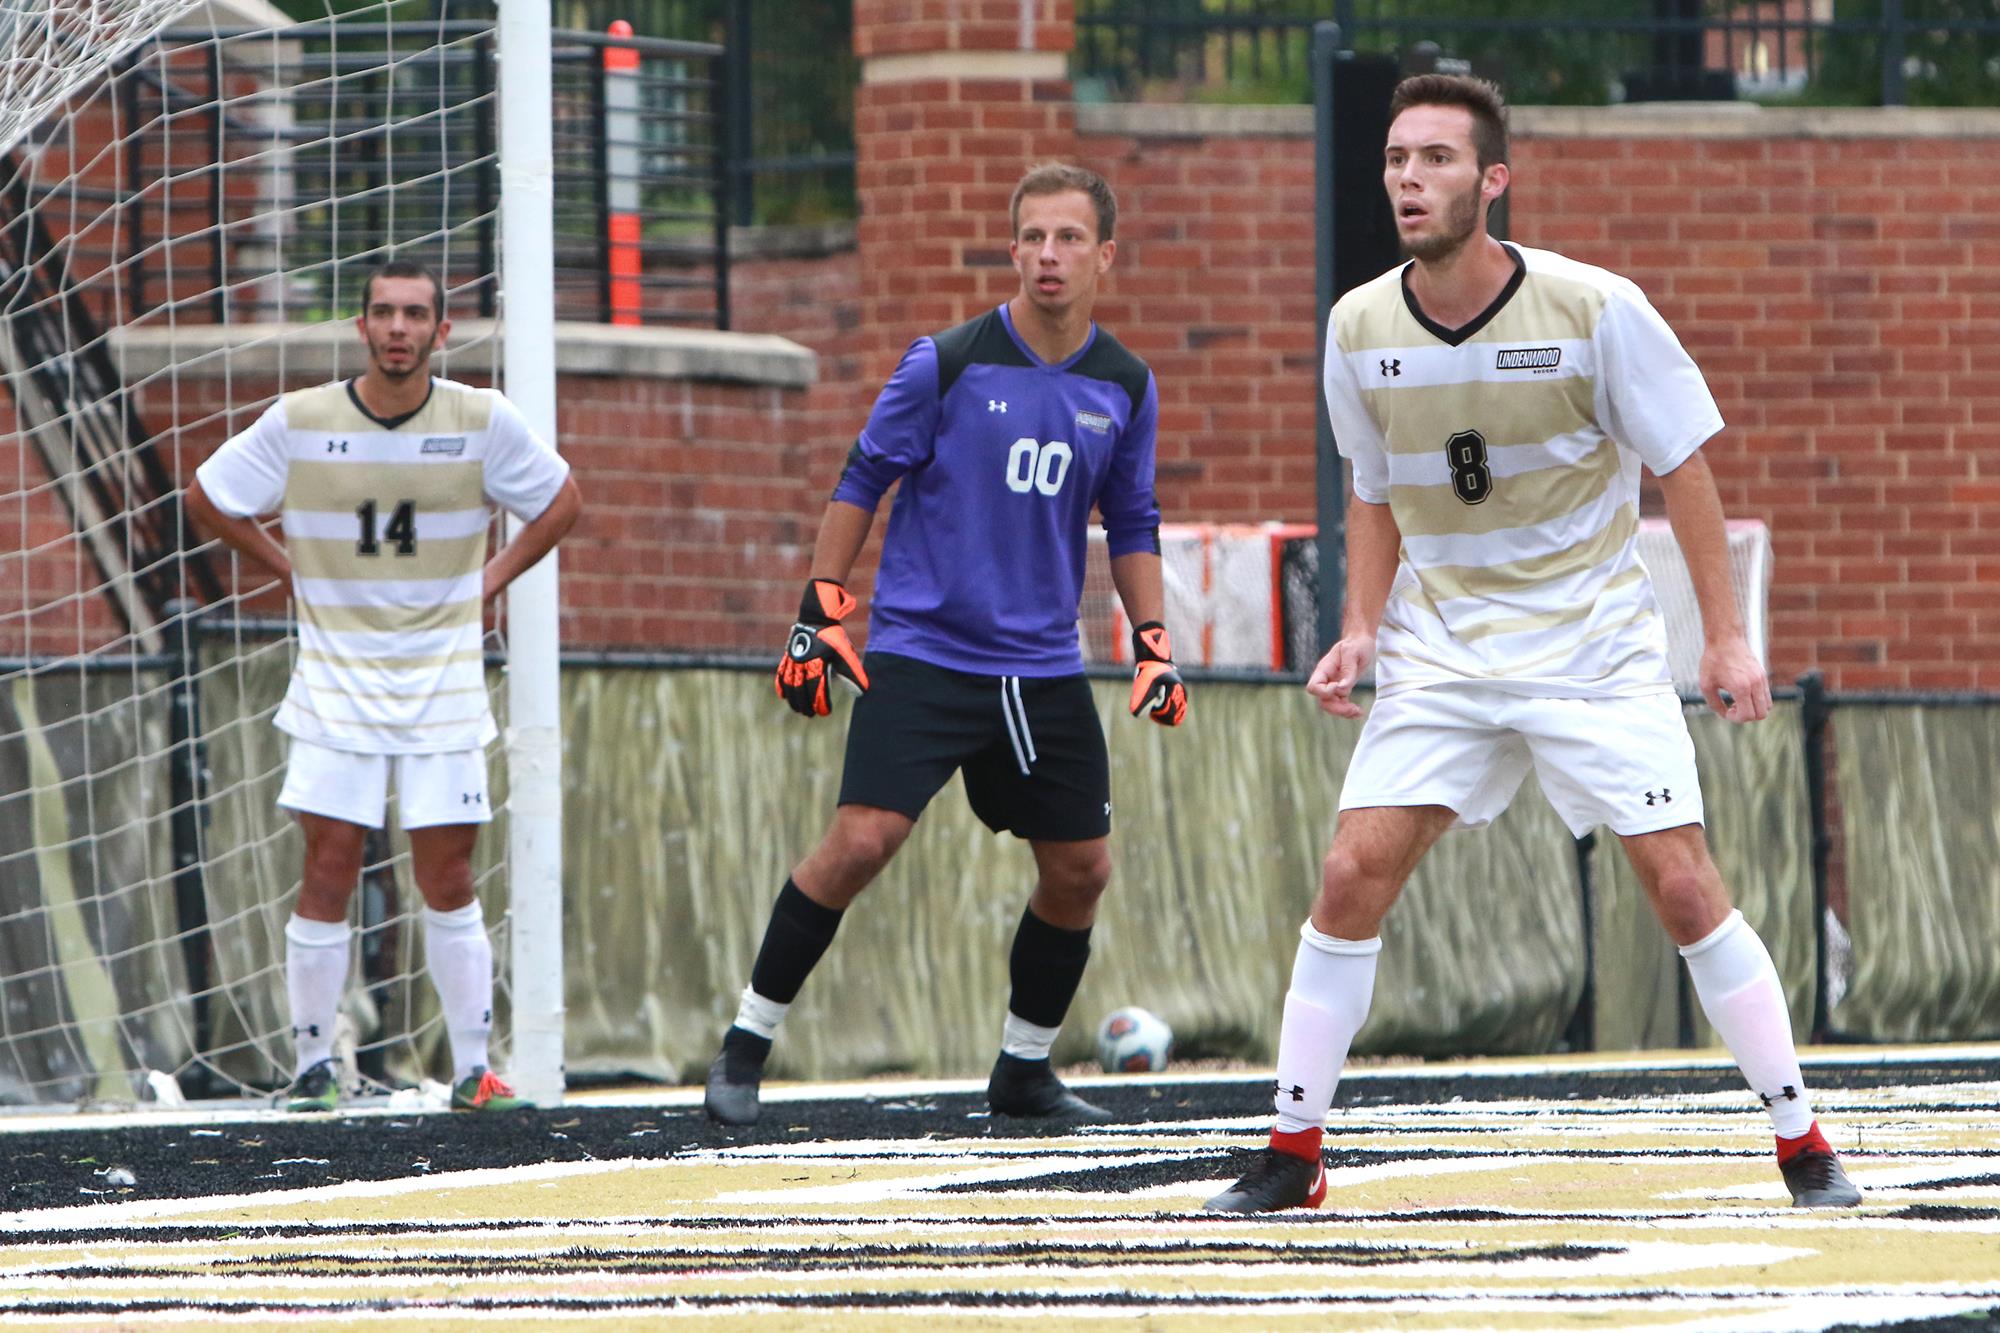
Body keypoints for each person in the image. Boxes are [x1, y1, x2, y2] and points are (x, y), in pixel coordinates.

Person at [1205, 75, 1860, 1213]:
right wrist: (1358, 627)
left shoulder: (1592, 306)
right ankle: (1291, 1154)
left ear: (1491, 180)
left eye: (1435, 160)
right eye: (1395, 160)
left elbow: (1683, 466)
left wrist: (1725, 640)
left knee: (1681, 887)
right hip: (1444, 653)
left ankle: (1802, 1142)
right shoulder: (1357, 325)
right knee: (1350, 871)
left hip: (1590, 651)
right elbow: (1370, 492)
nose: (1407, 179)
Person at [702, 163, 1188, 1128]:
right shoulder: (947, 362)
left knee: (1082, 868)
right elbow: (860, 479)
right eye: (1034, 238)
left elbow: (1132, 521)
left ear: (1105, 257)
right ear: (1012, 250)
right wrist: (821, 608)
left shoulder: (1125, 385)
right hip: (926, 655)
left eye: (1069, 239)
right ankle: (744, 1045)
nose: (1049, 255)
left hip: (1044, 670)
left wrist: (1154, 644)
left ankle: (1023, 1070)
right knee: (861, 841)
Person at [186, 258, 582, 1114]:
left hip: (443, 682)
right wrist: (282, 566)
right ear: (361, 328)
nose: (397, 328)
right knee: (327, 866)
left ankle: (475, 1069)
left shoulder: (483, 420)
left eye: (415, 315)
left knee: (449, 874)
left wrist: (494, 577)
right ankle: (311, 1068)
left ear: (442, 333)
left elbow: (561, 499)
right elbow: (209, 495)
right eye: (382, 314)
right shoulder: (300, 421)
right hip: (335, 679)